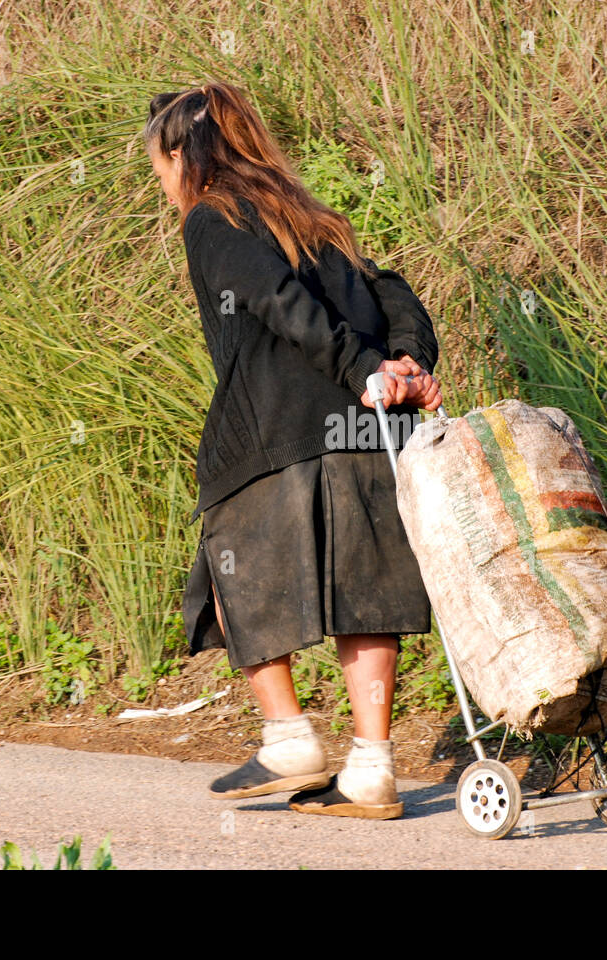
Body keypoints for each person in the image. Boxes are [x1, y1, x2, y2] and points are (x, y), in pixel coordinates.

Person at [142, 82, 442, 820]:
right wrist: (403, 361)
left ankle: (289, 739)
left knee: (222, 569)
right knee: (364, 590)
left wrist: (365, 369)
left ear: (185, 154)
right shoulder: (312, 215)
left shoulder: (209, 220)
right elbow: (394, 292)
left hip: (273, 427)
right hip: (367, 429)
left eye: (158, 162)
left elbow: (278, 302)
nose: (159, 178)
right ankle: (370, 769)